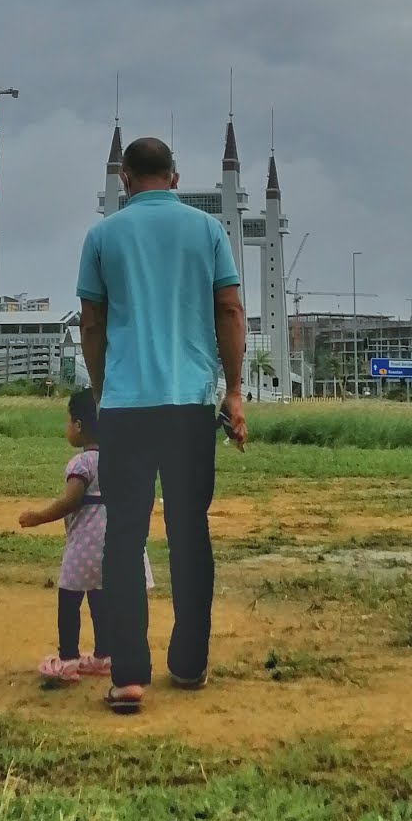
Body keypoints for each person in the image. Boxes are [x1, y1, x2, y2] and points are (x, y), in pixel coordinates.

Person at [76, 134, 247, 713]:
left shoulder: (101, 236)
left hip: (126, 405)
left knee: (124, 536)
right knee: (188, 531)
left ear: (124, 181)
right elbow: (228, 309)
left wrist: (103, 390)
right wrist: (236, 390)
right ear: (175, 178)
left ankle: (127, 675)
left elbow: (92, 323)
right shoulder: (208, 231)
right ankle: (190, 664)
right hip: (189, 406)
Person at [17, 388, 153, 684]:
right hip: (116, 542)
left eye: (68, 421)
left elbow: (71, 500)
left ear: (78, 425)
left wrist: (38, 517)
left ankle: (67, 659)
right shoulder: (120, 460)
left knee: (69, 600)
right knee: (100, 597)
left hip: (84, 547)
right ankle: (104, 654)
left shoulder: (81, 464)